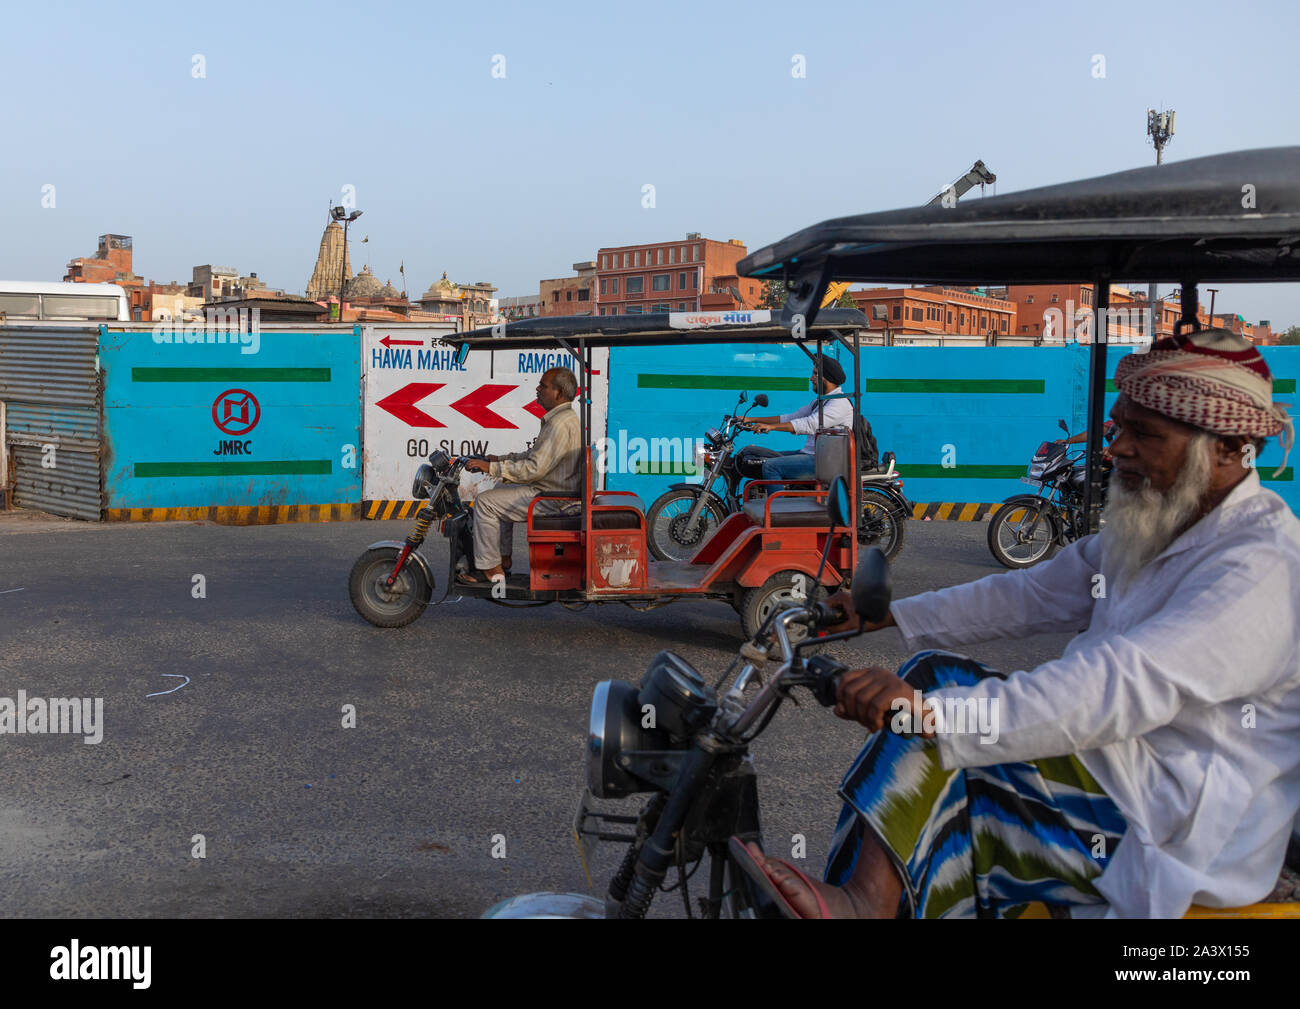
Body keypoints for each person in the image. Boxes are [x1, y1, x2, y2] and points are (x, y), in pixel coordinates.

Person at [738, 329, 1300, 918]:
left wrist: (938, 714)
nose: (1119, 449)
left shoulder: (1261, 565)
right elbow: (1030, 594)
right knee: (933, 675)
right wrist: (887, 614)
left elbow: (1120, 683)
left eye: (1146, 435)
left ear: (1229, 448)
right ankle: (864, 897)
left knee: (938, 706)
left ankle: (861, 904)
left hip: (1174, 826)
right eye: (1118, 428)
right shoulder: (1165, 522)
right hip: (1112, 772)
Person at [457, 367, 582, 584]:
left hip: (552, 498)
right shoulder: (560, 418)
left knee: (485, 502)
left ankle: (490, 569)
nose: (538, 389)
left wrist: (491, 469)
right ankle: (503, 560)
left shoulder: (560, 424)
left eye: (543, 386)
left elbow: (534, 469)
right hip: (552, 490)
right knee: (499, 492)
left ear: (559, 393)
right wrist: (497, 459)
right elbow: (533, 455)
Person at [747, 354, 853, 483]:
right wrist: (750, 419)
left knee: (771, 466)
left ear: (826, 378)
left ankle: (776, 503)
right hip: (810, 455)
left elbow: (810, 424)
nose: (811, 378)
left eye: (815, 374)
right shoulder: (820, 402)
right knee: (760, 459)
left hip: (824, 461)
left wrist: (771, 427)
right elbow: (790, 417)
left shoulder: (839, 403)